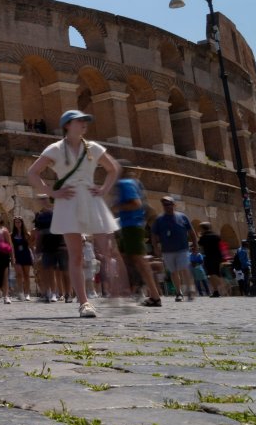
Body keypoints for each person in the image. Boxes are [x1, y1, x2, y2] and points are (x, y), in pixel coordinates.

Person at [27, 110, 121, 318]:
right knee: (76, 255)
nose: (84, 124)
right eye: (80, 121)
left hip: (90, 197)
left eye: (85, 121)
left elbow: (112, 168)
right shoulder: (56, 149)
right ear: (67, 125)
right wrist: (52, 192)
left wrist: (104, 189)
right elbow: (32, 172)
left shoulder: (93, 148)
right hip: (68, 200)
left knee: (106, 250)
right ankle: (84, 302)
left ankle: (117, 293)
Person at [111, 164, 162, 306]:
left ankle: (153, 294)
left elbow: (136, 203)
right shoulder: (133, 183)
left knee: (139, 261)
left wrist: (116, 207)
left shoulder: (124, 183)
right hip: (132, 226)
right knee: (129, 259)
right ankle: (139, 289)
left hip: (131, 226)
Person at [150, 196, 196, 302]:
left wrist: (195, 245)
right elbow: (154, 235)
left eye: (169, 204)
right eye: (165, 205)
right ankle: (178, 293)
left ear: (174, 205)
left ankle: (189, 290)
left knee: (184, 268)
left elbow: (191, 232)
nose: (167, 206)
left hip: (182, 249)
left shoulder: (183, 217)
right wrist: (155, 247)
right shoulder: (159, 220)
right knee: (174, 272)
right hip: (167, 251)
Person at [32, 195, 67, 303]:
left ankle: (59, 292)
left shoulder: (56, 213)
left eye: (44, 199)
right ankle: (49, 292)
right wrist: (37, 248)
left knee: (60, 271)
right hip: (46, 246)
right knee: (46, 269)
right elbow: (38, 233)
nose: (42, 201)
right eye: (40, 199)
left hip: (58, 244)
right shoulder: (39, 216)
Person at [196, 222, 226, 297]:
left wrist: (199, 236)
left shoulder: (204, 237)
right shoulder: (216, 235)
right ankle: (217, 291)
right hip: (218, 257)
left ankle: (220, 287)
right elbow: (222, 245)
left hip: (210, 257)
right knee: (217, 273)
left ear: (203, 229)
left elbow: (199, 244)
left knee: (211, 274)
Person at [9, 216, 35, 301]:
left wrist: (34, 256)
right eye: (16, 222)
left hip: (25, 254)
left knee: (26, 275)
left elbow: (30, 245)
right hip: (17, 255)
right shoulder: (12, 235)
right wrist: (12, 257)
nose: (17, 224)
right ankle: (20, 293)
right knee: (19, 274)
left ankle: (27, 293)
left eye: (19, 222)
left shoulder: (27, 234)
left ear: (22, 223)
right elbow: (11, 247)